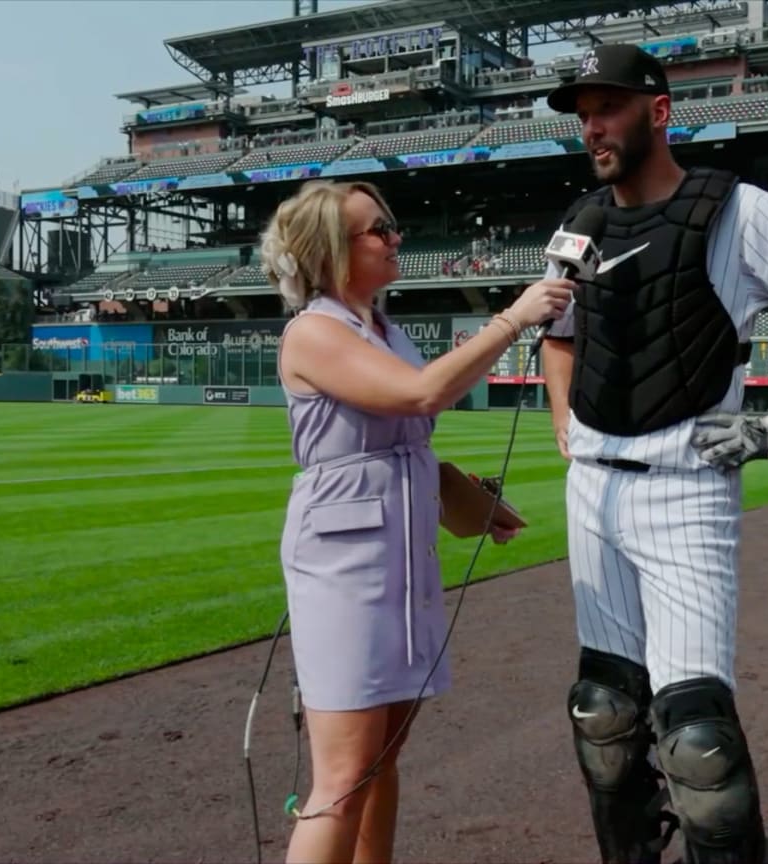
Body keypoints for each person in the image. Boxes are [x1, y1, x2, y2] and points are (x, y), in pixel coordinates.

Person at [537, 43, 768, 864]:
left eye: (605, 108)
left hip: (687, 481)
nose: (592, 127)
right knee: (602, 711)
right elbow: (558, 337)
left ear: (658, 110)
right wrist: (562, 424)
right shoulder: (578, 222)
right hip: (595, 487)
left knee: (696, 742)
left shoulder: (740, 211)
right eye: (581, 115)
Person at [264, 179, 572, 864]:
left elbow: (409, 445)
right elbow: (419, 394)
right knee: (341, 779)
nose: (395, 237)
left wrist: (473, 505)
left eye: (390, 225)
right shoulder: (313, 330)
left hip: (402, 558)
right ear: (330, 252)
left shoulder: (385, 330)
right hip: (345, 569)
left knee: (381, 764)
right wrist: (512, 318)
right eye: (377, 229)